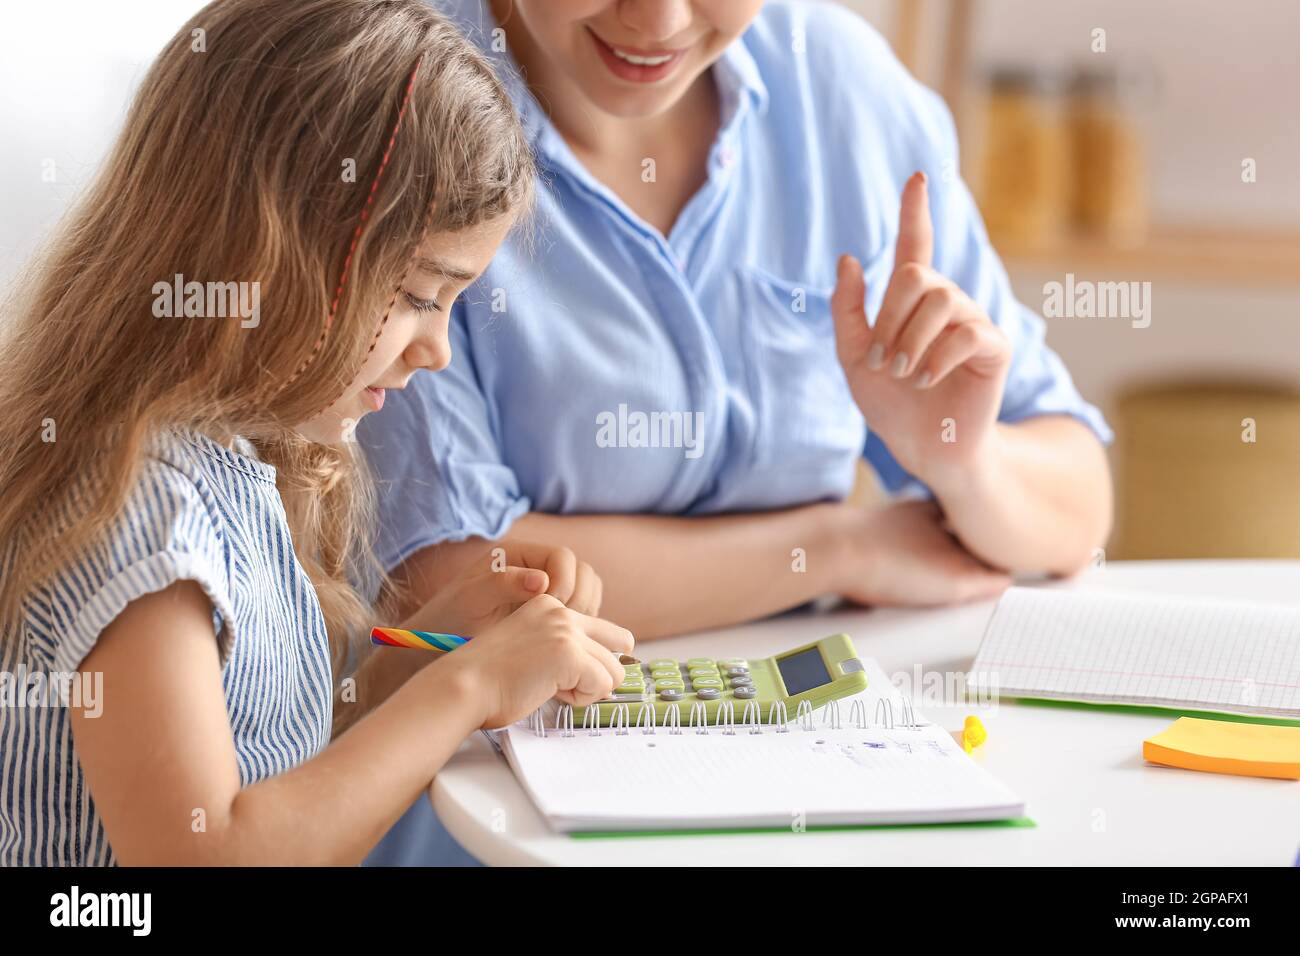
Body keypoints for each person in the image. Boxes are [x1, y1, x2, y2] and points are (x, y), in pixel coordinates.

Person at [0, 0, 630, 866]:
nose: (437, 349)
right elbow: (212, 853)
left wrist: (437, 648)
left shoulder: (238, 460)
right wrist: (471, 686)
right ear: (269, 253)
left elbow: (277, 761)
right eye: (416, 296)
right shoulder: (141, 516)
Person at [359, 0, 1113, 642]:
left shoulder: (839, 88)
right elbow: (444, 589)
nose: (658, 21)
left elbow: (1077, 507)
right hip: (496, 786)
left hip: (801, 754)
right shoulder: (395, 102)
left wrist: (960, 459)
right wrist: (836, 550)